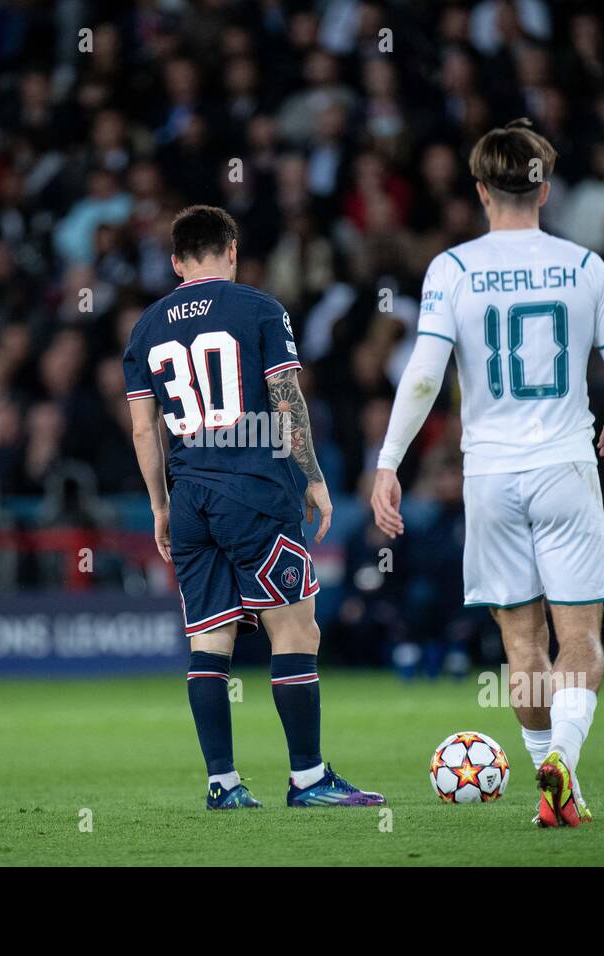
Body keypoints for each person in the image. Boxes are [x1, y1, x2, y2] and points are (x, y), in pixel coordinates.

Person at [369, 119, 604, 827]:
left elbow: (424, 377)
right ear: (545, 190)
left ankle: (556, 786)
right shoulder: (585, 267)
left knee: (522, 644)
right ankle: (566, 764)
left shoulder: (452, 270)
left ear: (480, 191)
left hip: (489, 477)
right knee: (580, 637)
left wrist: (388, 462)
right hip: (565, 467)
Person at [123, 204, 385, 810]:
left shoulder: (146, 327)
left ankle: (223, 783)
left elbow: (144, 432)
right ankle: (308, 779)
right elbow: (285, 400)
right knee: (294, 627)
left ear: (175, 261)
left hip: (189, 497)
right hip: (255, 490)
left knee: (210, 641)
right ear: (232, 250)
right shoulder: (262, 309)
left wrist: (160, 506)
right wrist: (314, 479)